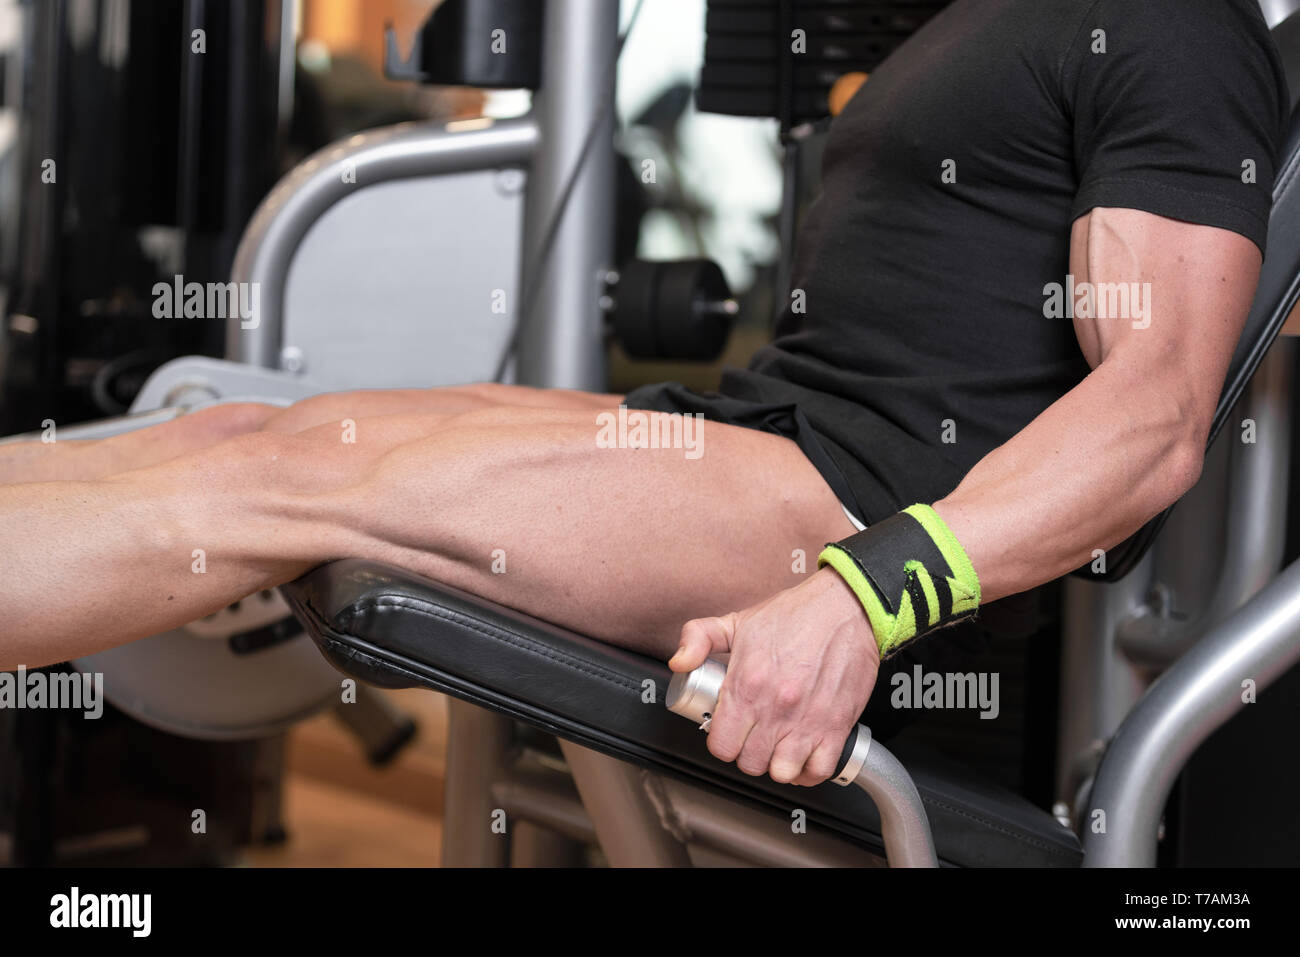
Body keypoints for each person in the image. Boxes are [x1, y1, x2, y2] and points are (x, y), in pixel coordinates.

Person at [0, 0, 1287, 787]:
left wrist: (867, 589)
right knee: (239, 432)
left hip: (846, 503)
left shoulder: (1173, 22)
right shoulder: (988, 16)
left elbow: (1157, 418)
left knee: (271, 489)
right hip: (757, 429)